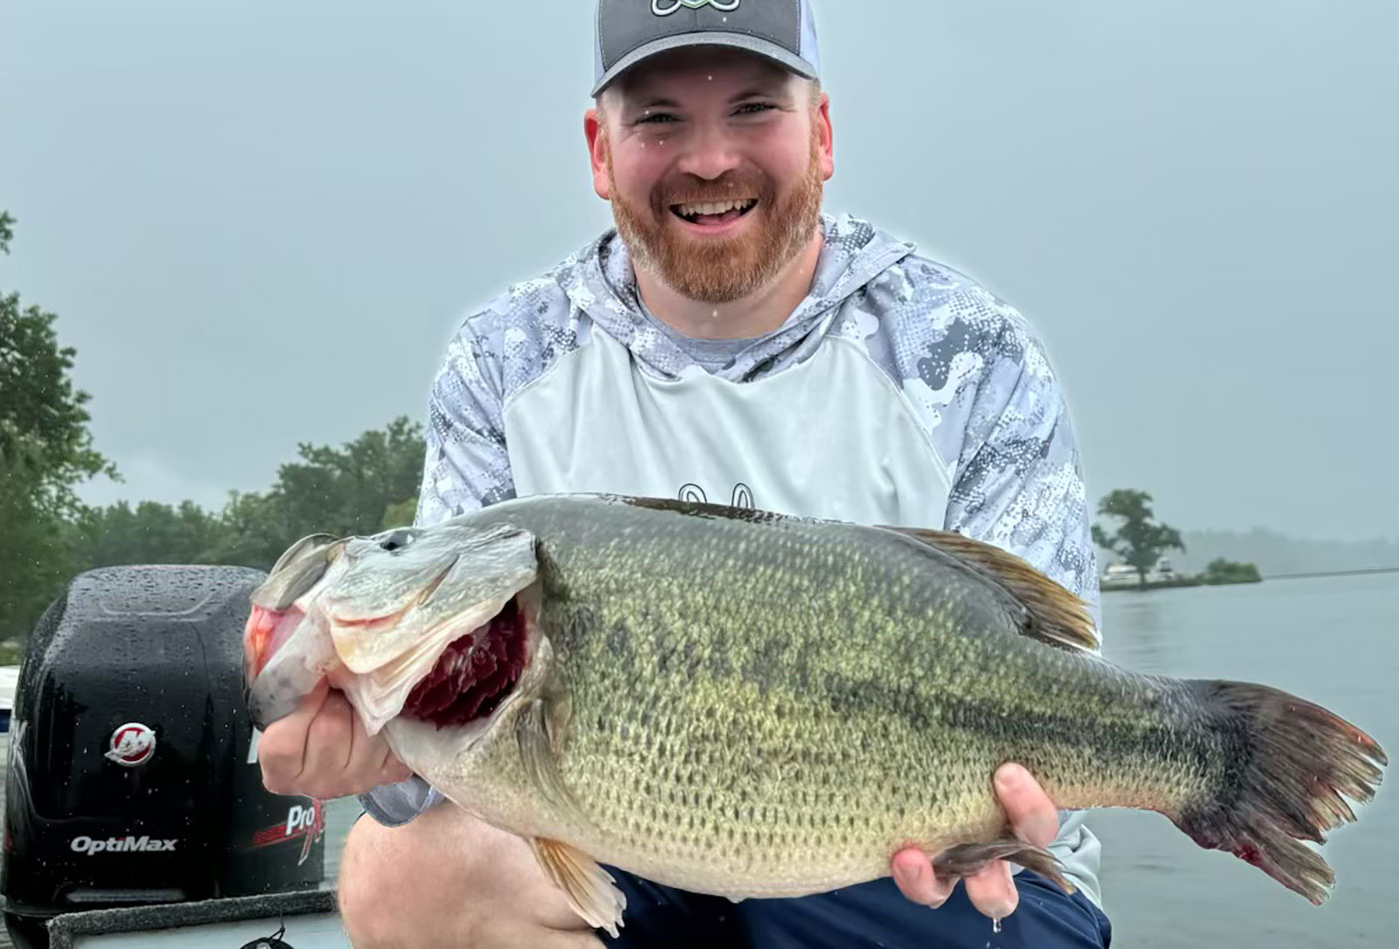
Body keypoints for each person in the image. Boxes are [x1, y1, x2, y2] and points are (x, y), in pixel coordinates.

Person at [256, 1, 1112, 946]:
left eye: (753, 108)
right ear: (599, 148)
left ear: (822, 132)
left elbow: (1054, 668)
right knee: (400, 868)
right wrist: (373, 749)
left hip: (925, 866)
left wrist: (1004, 811)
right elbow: (450, 749)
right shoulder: (505, 361)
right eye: (659, 118)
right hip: (628, 851)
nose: (709, 159)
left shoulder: (967, 354)